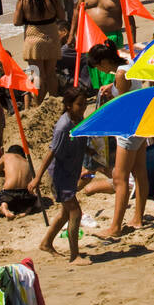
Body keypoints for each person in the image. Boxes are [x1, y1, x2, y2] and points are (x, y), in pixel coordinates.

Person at [86, 43, 150, 239]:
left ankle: (115, 227)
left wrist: (111, 95)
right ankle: (138, 218)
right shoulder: (128, 63)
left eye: (99, 66)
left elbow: (122, 103)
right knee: (139, 172)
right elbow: (125, 91)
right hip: (140, 123)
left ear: (104, 62)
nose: (100, 70)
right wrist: (111, 88)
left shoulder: (120, 75)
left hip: (127, 127)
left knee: (119, 178)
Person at [28, 87, 90, 266]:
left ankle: (46, 243)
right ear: (69, 106)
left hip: (70, 173)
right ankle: (74, 256)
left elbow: (77, 141)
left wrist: (89, 150)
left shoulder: (78, 119)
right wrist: (37, 177)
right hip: (60, 176)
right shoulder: (64, 126)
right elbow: (51, 152)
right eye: (80, 105)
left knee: (65, 213)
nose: (83, 108)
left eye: (85, 104)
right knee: (75, 212)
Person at [13, 0, 66, 106]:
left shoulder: (24, 0)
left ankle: (37, 103)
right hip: (51, 36)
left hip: (33, 37)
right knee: (50, 73)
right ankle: (55, 102)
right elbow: (62, 16)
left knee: (36, 74)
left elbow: (16, 22)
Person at [0, 145, 40, 219]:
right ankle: (26, 211)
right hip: (25, 195)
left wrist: (7, 173)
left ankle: (1, 209)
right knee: (31, 201)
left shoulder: (6, 156)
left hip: (8, 193)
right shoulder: (27, 161)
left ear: (10, 152)